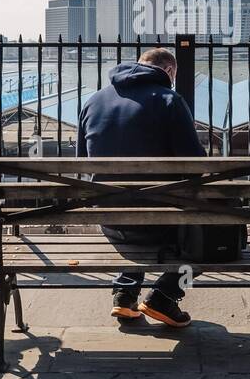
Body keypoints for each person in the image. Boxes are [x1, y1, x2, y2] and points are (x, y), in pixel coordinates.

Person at [77, 47, 205, 328]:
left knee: (130, 202)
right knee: (211, 237)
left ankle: (125, 294)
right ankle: (164, 295)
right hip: (159, 221)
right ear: (169, 72)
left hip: (110, 220)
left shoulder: (94, 100)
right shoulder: (170, 100)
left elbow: (83, 162)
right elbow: (195, 164)